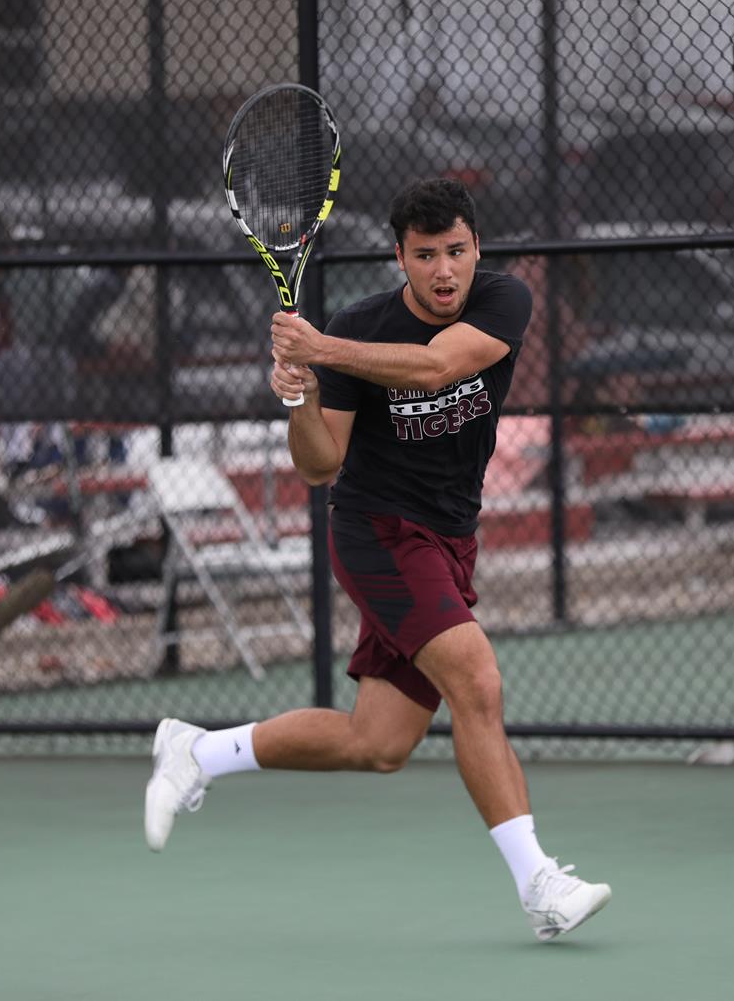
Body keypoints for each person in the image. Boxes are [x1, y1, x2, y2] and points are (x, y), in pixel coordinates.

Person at [143, 178, 612, 941]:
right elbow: (319, 465)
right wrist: (300, 395)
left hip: (451, 538)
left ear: (477, 248)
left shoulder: (502, 301)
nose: (443, 270)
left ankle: (198, 751)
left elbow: (436, 368)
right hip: (378, 534)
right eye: (425, 256)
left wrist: (319, 349)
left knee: (379, 743)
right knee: (477, 682)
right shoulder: (360, 327)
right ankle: (540, 887)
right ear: (400, 257)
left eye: (455, 251)